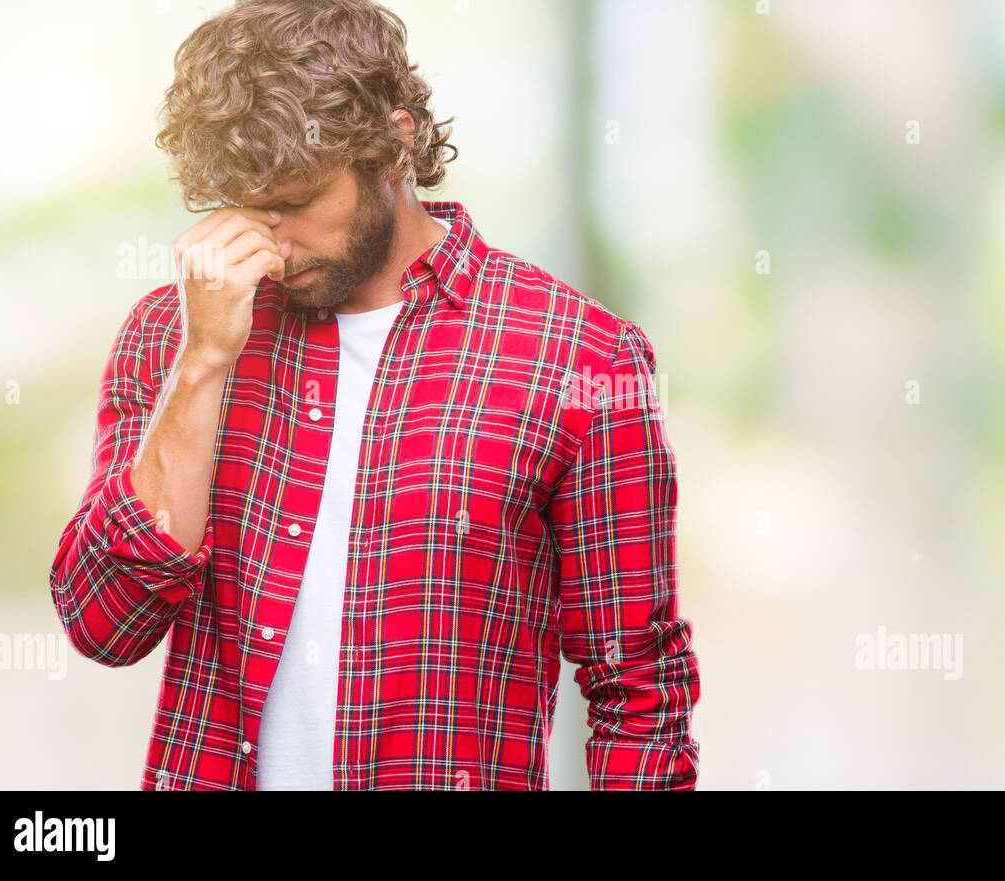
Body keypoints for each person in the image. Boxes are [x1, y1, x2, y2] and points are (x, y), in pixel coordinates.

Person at [49, 0, 700, 790]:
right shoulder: (174, 334)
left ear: (396, 140)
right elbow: (102, 624)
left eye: (298, 200)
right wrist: (203, 365)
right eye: (250, 206)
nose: (273, 242)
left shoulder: (580, 357)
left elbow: (638, 692)